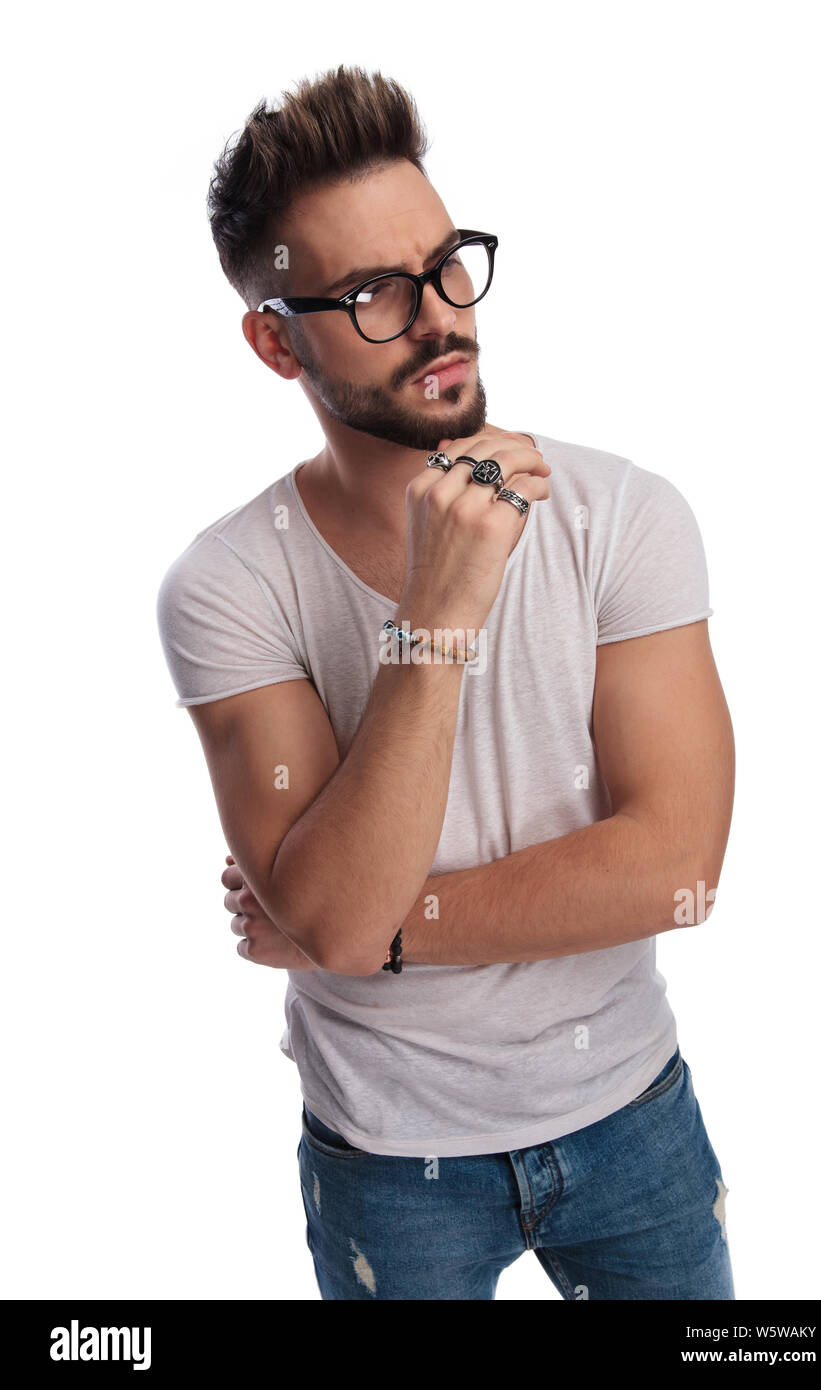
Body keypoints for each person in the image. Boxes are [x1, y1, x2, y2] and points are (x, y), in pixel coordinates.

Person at [156, 65, 736, 1301]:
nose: (437, 317)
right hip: (387, 1158)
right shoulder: (225, 587)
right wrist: (434, 621)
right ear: (274, 340)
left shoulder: (624, 518)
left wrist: (367, 930)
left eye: (445, 263)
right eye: (371, 291)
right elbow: (333, 916)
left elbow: (677, 873)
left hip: (631, 1113)